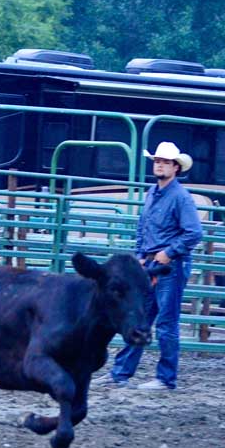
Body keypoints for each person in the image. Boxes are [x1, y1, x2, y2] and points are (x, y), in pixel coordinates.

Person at [95, 141, 203, 391]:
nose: (160, 165)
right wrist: (142, 254)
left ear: (176, 167)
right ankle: (122, 372)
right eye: (157, 161)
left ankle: (165, 378)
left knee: (166, 321)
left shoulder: (180, 197)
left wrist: (168, 252)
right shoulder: (154, 192)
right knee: (140, 318)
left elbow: (194, 233)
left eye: (164, 162)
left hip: (171, 265)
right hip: (154, 264)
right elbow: (144, 227)